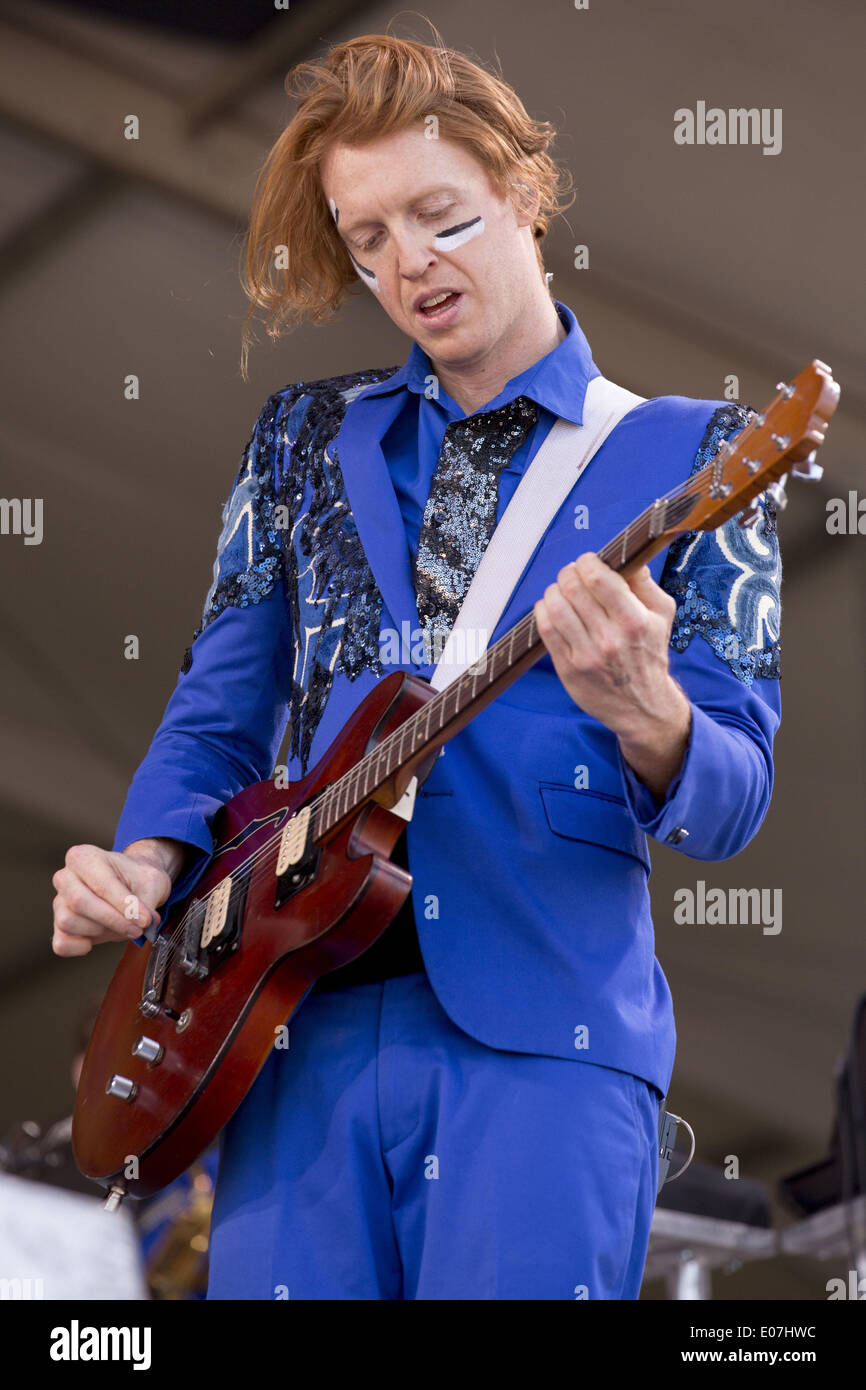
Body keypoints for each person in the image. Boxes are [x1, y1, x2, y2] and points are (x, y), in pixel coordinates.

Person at [50, 32, 781, 1300]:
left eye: (438, 218)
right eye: (367, 236)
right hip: (285, 1027)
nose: (406, 267)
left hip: (542, 1036)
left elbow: (731, 793)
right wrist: (146, 857)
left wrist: (646, 710)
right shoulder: (299, 436)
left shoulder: (697, 452)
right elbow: (218, 705)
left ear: (524, 192)